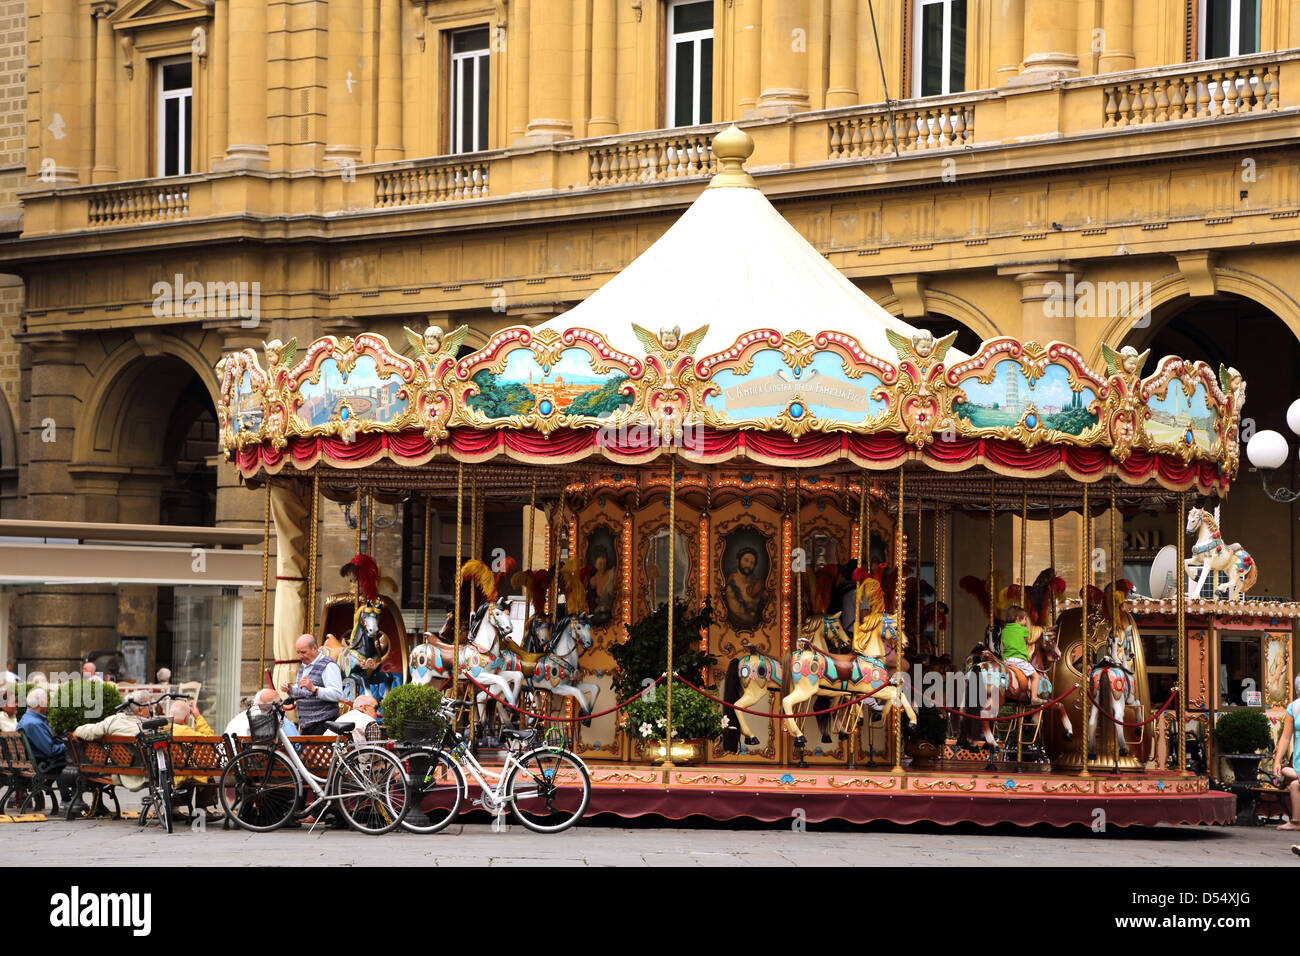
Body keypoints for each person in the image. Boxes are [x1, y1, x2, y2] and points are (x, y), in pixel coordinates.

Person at [71, 692, 153, 793]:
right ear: (140, 709)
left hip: (120, 773)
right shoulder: (151, 726)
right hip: (146, 775)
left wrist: (77, 731)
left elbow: (90, 731)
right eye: (149, 705)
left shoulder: (113, 721)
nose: (151, 708)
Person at [16, 687, 73, 801]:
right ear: (40, 703)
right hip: (42, 764)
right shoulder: (34, 723)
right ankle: (67, 800)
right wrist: (68, 746)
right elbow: (51, 751)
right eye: (47, 700)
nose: (48, 703)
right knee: (70, 759)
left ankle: (67, 799)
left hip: (34, 762)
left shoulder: (27, 719)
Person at [280, 634, 343, 735]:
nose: (300, 656)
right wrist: (290, 689)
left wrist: (315, 689)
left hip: (324, 724)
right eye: (298, 652)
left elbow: (337, 694)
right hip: (307, 725)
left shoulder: (329, 665)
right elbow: (303, 692)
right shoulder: (304, 666)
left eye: (303, 652)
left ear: (314, 648)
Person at [999, 604, 1044, 705]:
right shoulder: (1022, 630)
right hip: (1018, 660)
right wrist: (1028, 623)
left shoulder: (1005, 630)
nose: (1025, 622)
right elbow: (1029, 636)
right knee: (1036, 676)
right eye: (1024, 619)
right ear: (1018, 619)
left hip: (1006, 660)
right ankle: (1034, 697)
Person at [1273, 674, 1300, 832]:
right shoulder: (1294, 707)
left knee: (1296, 784)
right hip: (1298, 758)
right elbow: (1285, 737)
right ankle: (1296, 822)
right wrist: (1277, 760)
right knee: (1295, 784)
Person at [225, 689, 298, 737]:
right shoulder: (278, 719)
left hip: (232, 758)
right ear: (276, 705)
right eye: (280, 701)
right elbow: (297, 745)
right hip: (262, 759)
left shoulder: (239, 718)